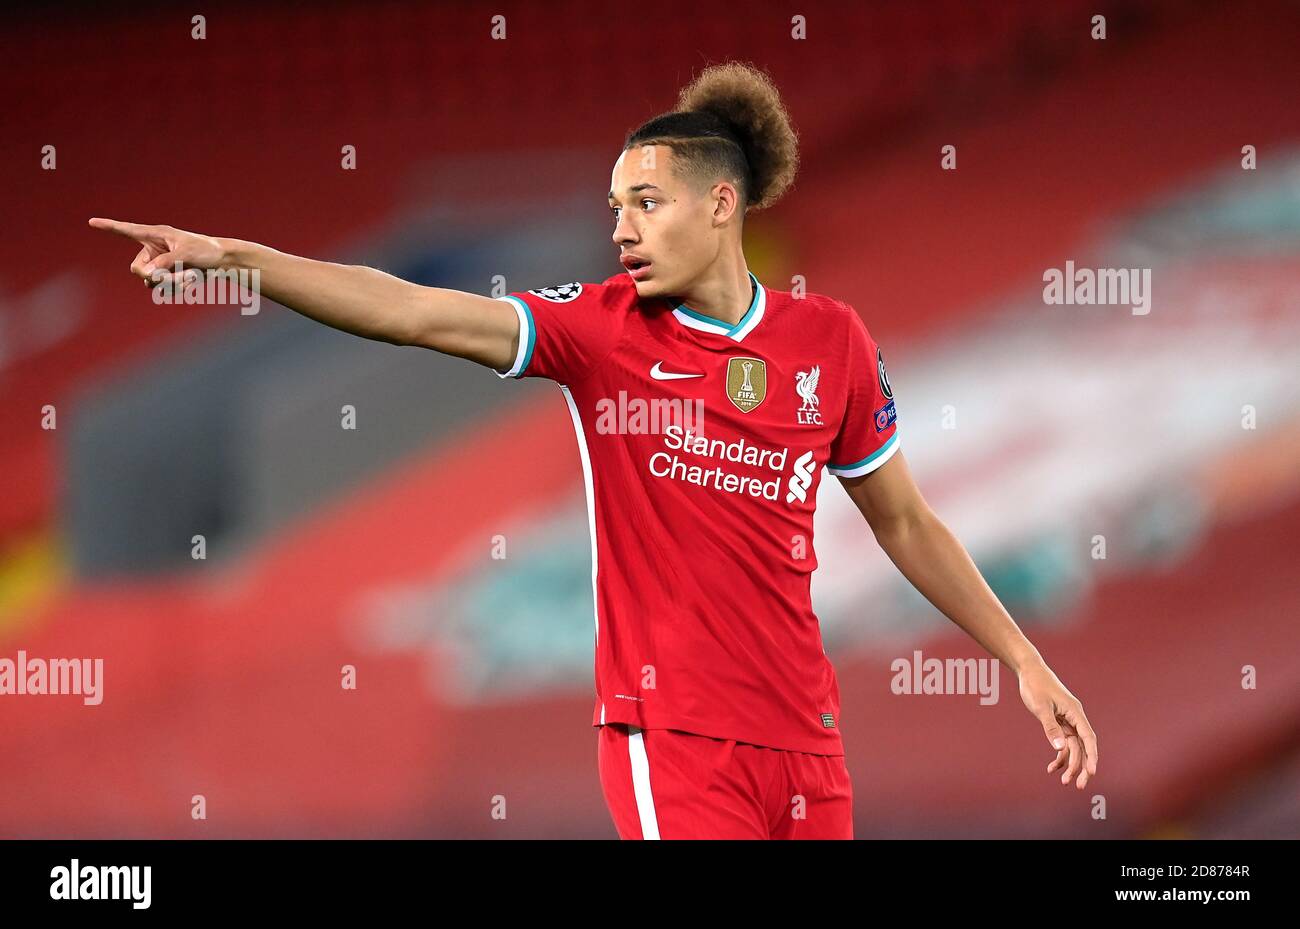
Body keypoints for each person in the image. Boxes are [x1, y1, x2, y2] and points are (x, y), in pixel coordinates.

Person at [89, 61, 1097, 839]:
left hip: (807, 739)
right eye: (614, 206)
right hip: (673, 736)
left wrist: (1021, 656)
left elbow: (906, 520)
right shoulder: (598, 330)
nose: (619, 227)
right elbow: (410, 312)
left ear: (719, 202)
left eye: (644, 203)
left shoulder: (828, 341)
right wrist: (242, 262)